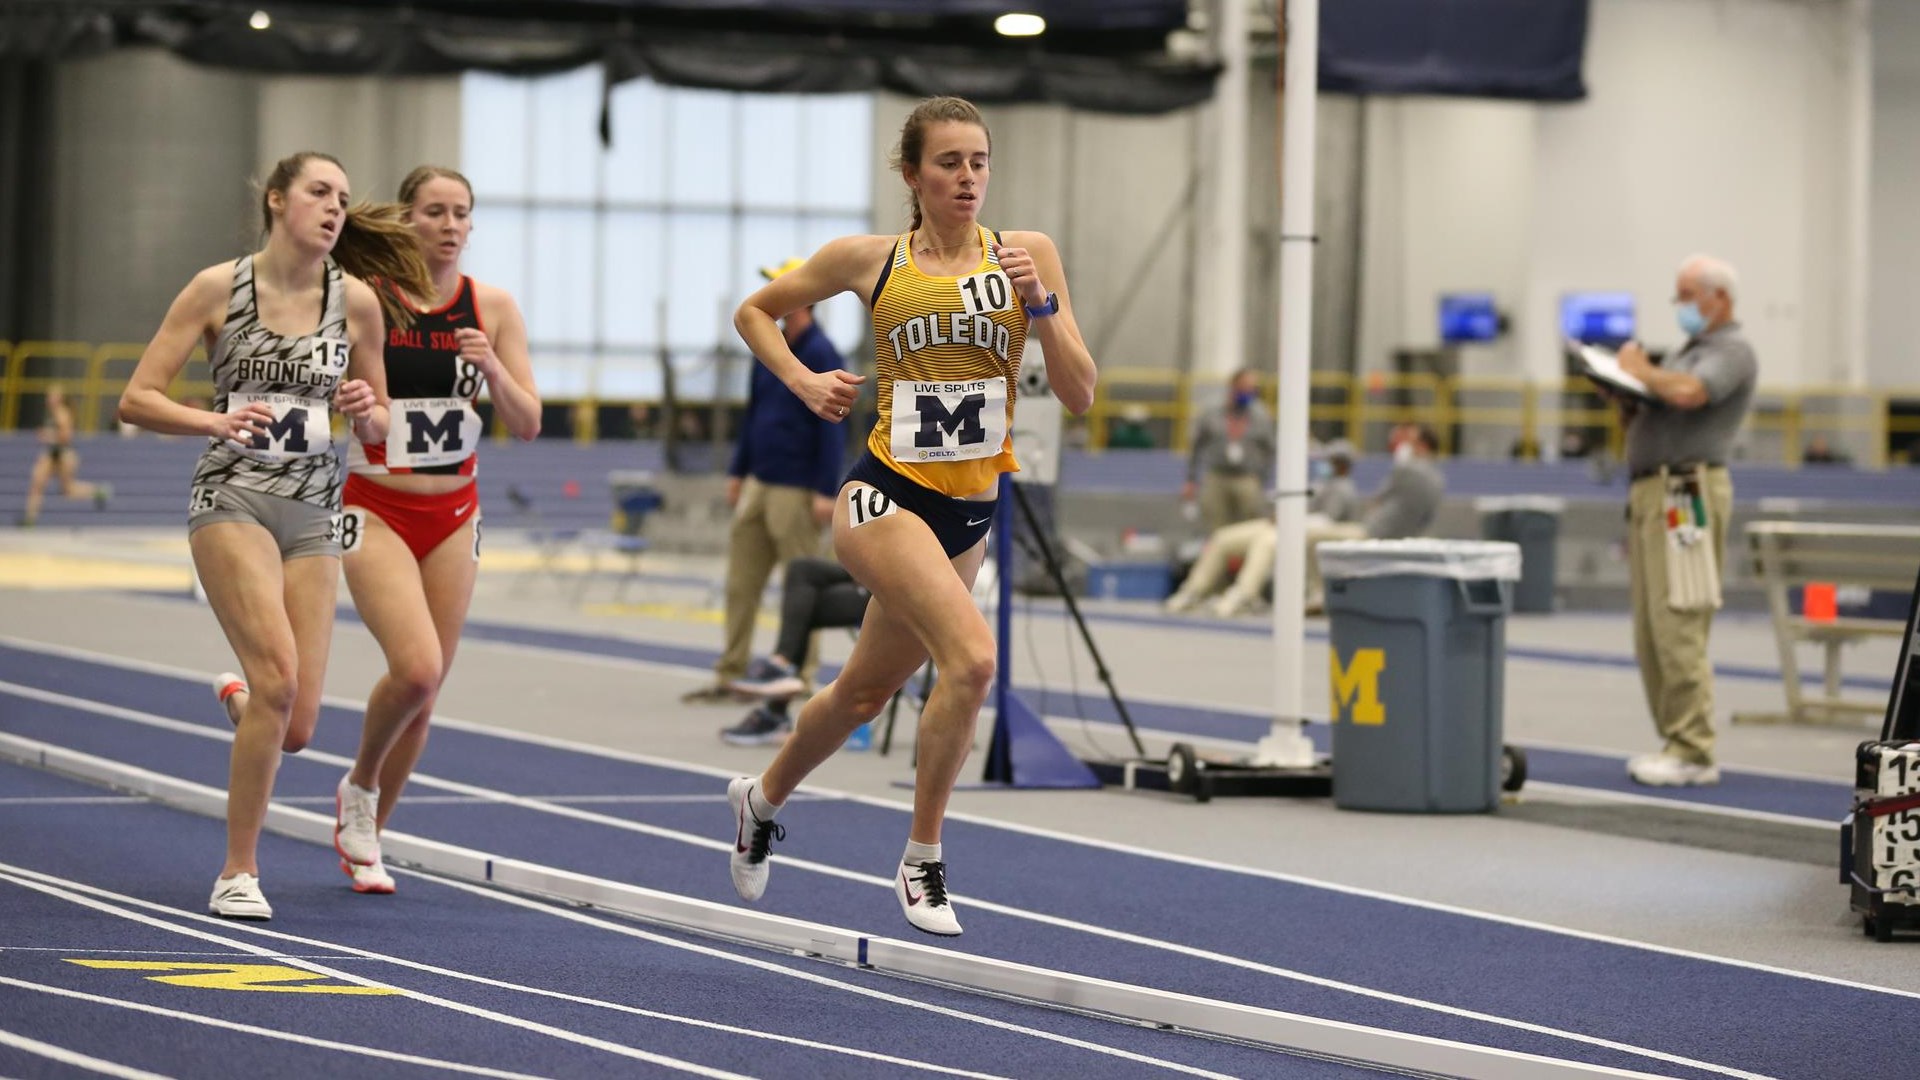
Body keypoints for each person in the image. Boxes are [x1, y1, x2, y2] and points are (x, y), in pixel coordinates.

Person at [722, 95, 1097, 937]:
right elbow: (755, 312)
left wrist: (1041, 310)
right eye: (948, 164)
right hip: (884, 494)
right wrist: (803, 380)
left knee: (862, 690)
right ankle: (922, 860)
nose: (967, 179)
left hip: (969, 510)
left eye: (978, 163)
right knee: (971, 661)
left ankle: (761, 797)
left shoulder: (1026, 255)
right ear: (912, 175)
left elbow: (1078, 393)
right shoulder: (870, 260)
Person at [116, 150, 429, 920]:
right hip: (234, 496)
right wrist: (213, 418)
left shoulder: (355, 302)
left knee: (297, 725)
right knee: (281, 682)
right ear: (279, 202)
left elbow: (382, 418)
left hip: (316, 509)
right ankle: (239, 871)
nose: (334, 208)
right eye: (320, 193)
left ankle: (248, 699)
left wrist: (367, 403)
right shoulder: (218, 287)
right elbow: (136, 398)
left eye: (344, 199)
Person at [329, 165, 542, 895]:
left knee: (428, 690)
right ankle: (359, 787)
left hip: (455, 512)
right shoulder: (368, 300)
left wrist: (494, 371)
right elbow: (358, 399)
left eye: (462, 213)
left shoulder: (494, 307)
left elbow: (528, 422)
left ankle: (369, 838)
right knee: (415, 668)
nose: (450, 225)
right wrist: (356, 402)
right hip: (379, 502)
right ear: (406, 219)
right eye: (435, 212)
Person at [1609, 254, 1756, 788]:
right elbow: (1666, 398)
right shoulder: (1687, 352)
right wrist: (1625, 394)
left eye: (1688, 295)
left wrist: (1641, 370)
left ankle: (1694, 750)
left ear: (1720, 298)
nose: (1681, 306)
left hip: (1686, 492)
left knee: (1678, 620)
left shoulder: (1731, 351)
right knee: (1651, 630)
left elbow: (1692, 394)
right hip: (1654, 490)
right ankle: (1675, 740)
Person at [682, 257, 849, 704]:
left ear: (802, 300)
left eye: (779, 289)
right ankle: (731, 671)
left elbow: (834, 425)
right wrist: (738, 472)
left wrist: (824, 490)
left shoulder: (821, 353)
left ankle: (801, 676)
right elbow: (754, 415)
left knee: (802, 591)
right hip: (759, 482)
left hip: (796, 490)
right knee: (742, 583)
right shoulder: (767, 350)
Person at [721, 555, 873, 746]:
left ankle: (776, 708)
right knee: (801, 570)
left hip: (895, 586)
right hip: (871, 570)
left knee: (804, 603)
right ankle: (781, 668)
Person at [1181, 367, 1273, 534]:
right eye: (1245, 387)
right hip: (1217, 475)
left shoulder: (1261, 415)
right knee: (1215, 525)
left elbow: (1270, 450)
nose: (1249, 392)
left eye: (1253, 388)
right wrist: (1191, 479)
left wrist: (1262, 480)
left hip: (1247, 476)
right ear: (1233, 386)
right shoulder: (1211, 412)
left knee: (1251, 525)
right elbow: (1196, 446)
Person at [19, 384, 112, 527]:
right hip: (52, 453)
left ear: (60, 398)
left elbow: (66, 437)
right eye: (48, 395)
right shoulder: (53, 413)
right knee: (37, 484)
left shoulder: (62, 413)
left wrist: (47, 436)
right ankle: (30, 519)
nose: (48, 398)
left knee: (67, 490)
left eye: (52, 395)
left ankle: (96, 491)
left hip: (63, 454)